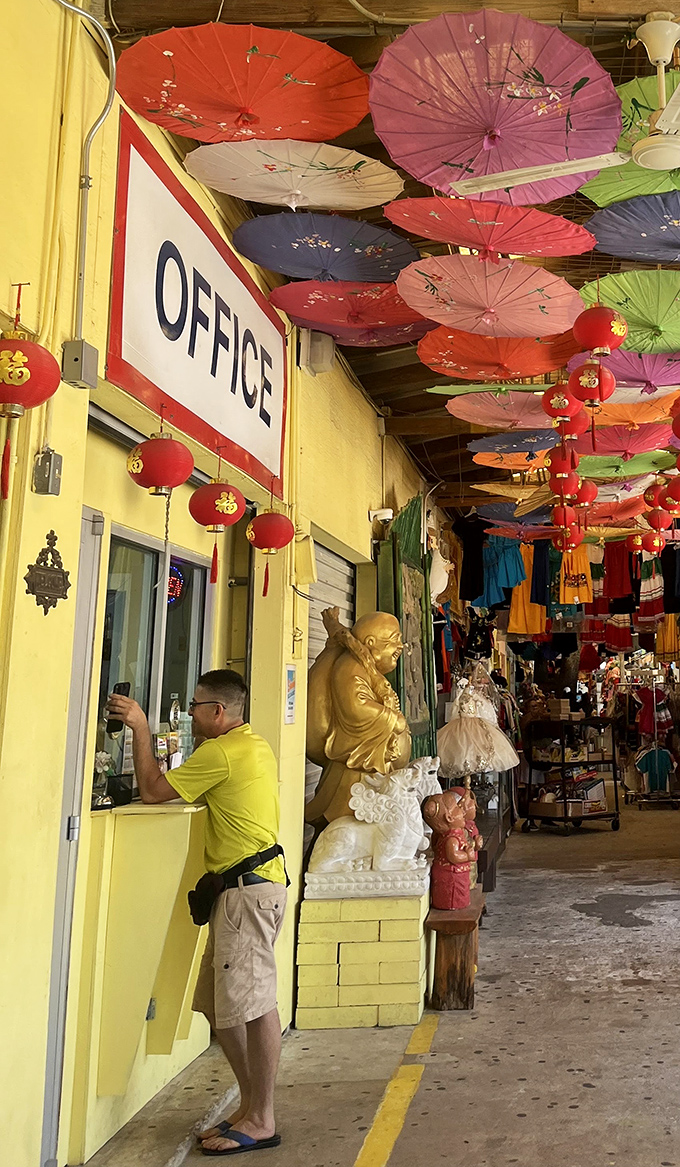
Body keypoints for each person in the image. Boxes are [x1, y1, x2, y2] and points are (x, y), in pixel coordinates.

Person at [106, 669, 287, 1158]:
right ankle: (251, 1105)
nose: (189, 712)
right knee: (219, 1006)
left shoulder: (221, 753)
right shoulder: (255, 745)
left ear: (218, 712)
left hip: (247, 896)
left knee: (254, 1006)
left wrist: (142, 728)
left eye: (195, 705)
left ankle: (262, 1118)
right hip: (246, 892)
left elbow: (152, 790)